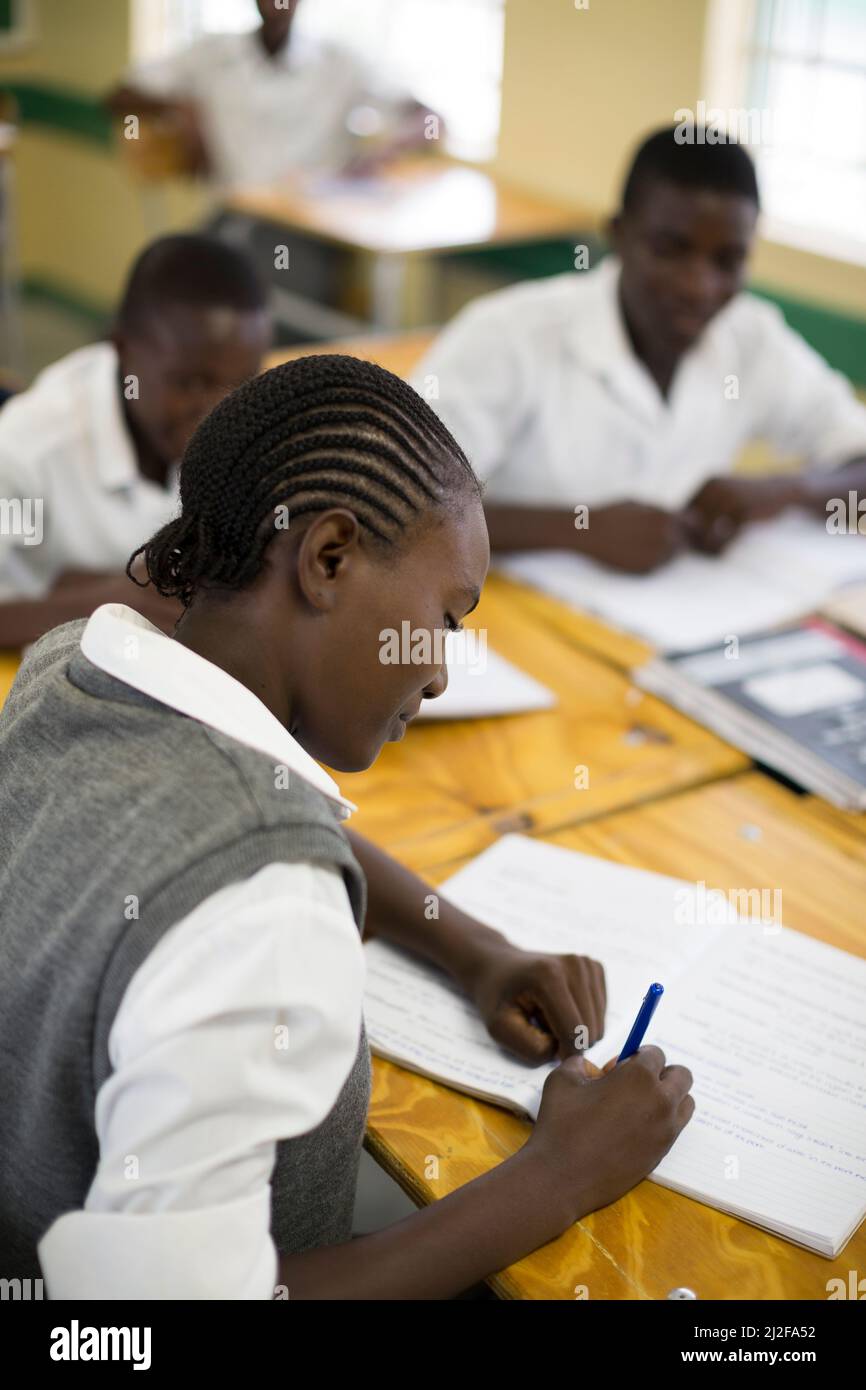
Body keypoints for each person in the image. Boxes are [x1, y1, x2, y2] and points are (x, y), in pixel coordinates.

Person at [0, 354, 693, 1299]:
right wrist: (559, 1177)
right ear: (328, 559)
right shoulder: (268, 912)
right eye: (446, 617)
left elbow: (232, 815)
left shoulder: (70, 663)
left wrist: (474, 946)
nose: (441, 671)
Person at [413, 126, 866, 574]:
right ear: (619, 233)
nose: (698, 286)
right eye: (671, 250)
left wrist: (785, 490)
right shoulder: (510, 335)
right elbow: (401, 504)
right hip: (508, 625)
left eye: (727, 260)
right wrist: (578, 530)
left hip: (679, 621)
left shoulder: (753, 338)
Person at [0, 234, 271, 647]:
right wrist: (106, 604)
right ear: (123, 349)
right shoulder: (26, 451)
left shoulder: (244, 423)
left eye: (240, 385)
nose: (216, 413)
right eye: (190, 383)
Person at [107, 0, 441, 188]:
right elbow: (119, 97)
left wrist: (387, 149)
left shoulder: (341, 63)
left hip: (305, 225)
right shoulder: (212, 55)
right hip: (238, 213)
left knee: (272, 274)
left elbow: (430, 121)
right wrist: (183, 109)